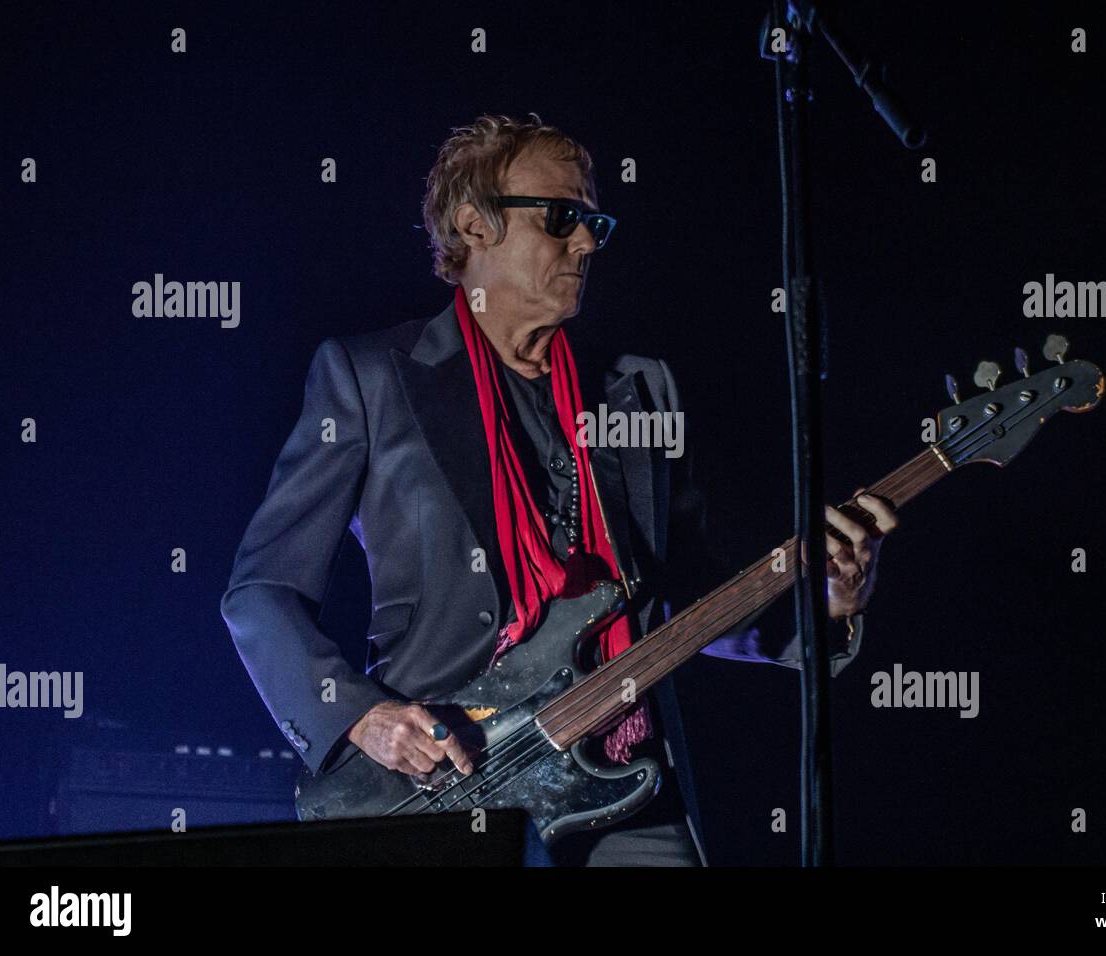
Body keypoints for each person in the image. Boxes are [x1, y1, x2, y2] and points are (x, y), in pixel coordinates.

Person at [220, 114, 898, 866]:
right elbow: (262, 590)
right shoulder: (373, 378)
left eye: (594, 223)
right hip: (451, 777)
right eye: (561, 217)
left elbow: (681, 595)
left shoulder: (638, 391)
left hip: (623, 778)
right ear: (473, 224)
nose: (585, 242)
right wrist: (361, 716)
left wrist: (821, 606)